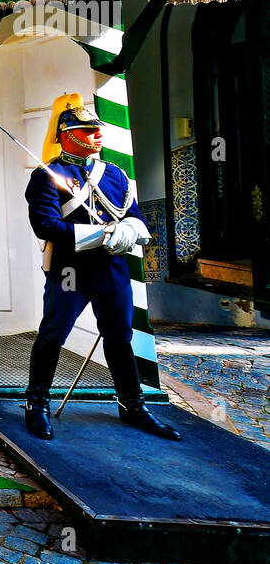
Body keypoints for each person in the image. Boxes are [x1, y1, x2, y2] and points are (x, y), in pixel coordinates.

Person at [23, 94, 181, 441]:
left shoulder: (115, 174)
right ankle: (36, 403)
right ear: (67, 135)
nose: (97, 135)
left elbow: (134, 215)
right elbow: (47, 226)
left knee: (120, 337)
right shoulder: (48, 175)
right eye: (88, 130)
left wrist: (128, 230)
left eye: (97, 129)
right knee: (53, 334)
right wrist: (103, 234)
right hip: (70, 270)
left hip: (112, 269)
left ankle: (132, 404)